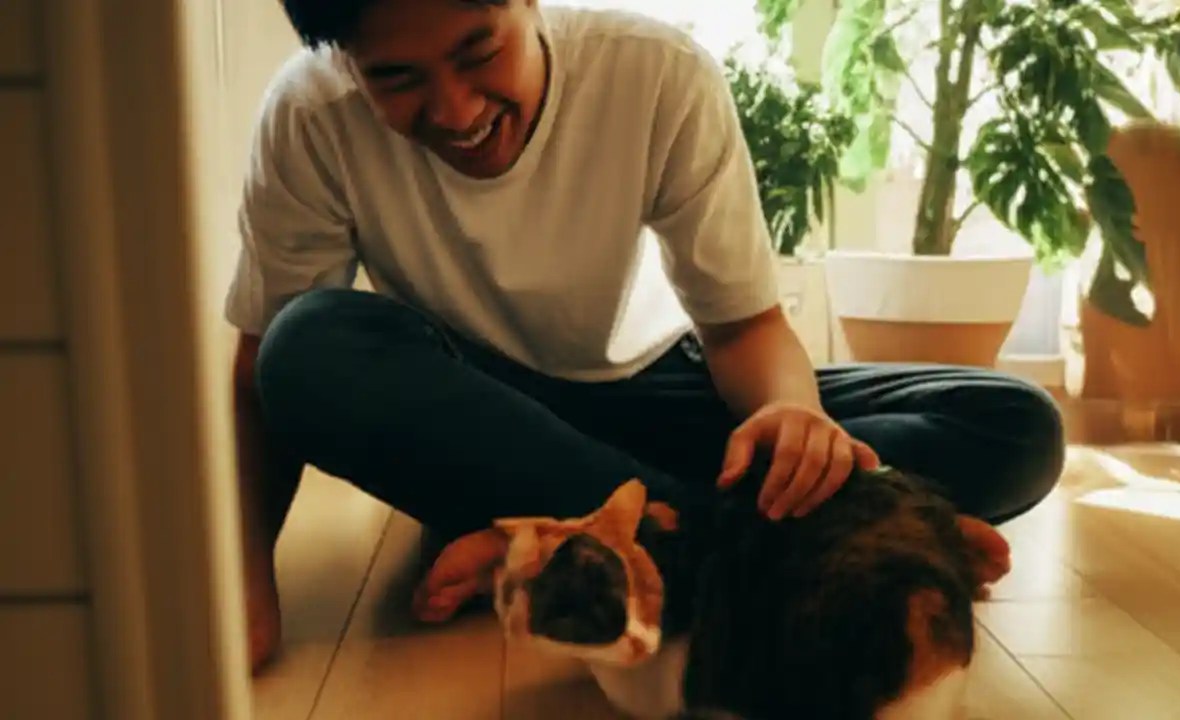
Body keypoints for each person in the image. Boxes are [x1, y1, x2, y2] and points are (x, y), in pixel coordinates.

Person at [229, 0, 1066, 674]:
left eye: (478, 53)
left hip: (658, 390)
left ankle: (570, 542)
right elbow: (263, 370)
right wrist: (243, 575)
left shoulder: (654, 72)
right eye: (396, 78)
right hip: (480, 416)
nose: (454, 108)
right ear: (343, 61)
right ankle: (798, 557)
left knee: (1009, 425)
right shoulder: (309, 117)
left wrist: (792, 413)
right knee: (302, 349)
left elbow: (743, 327)